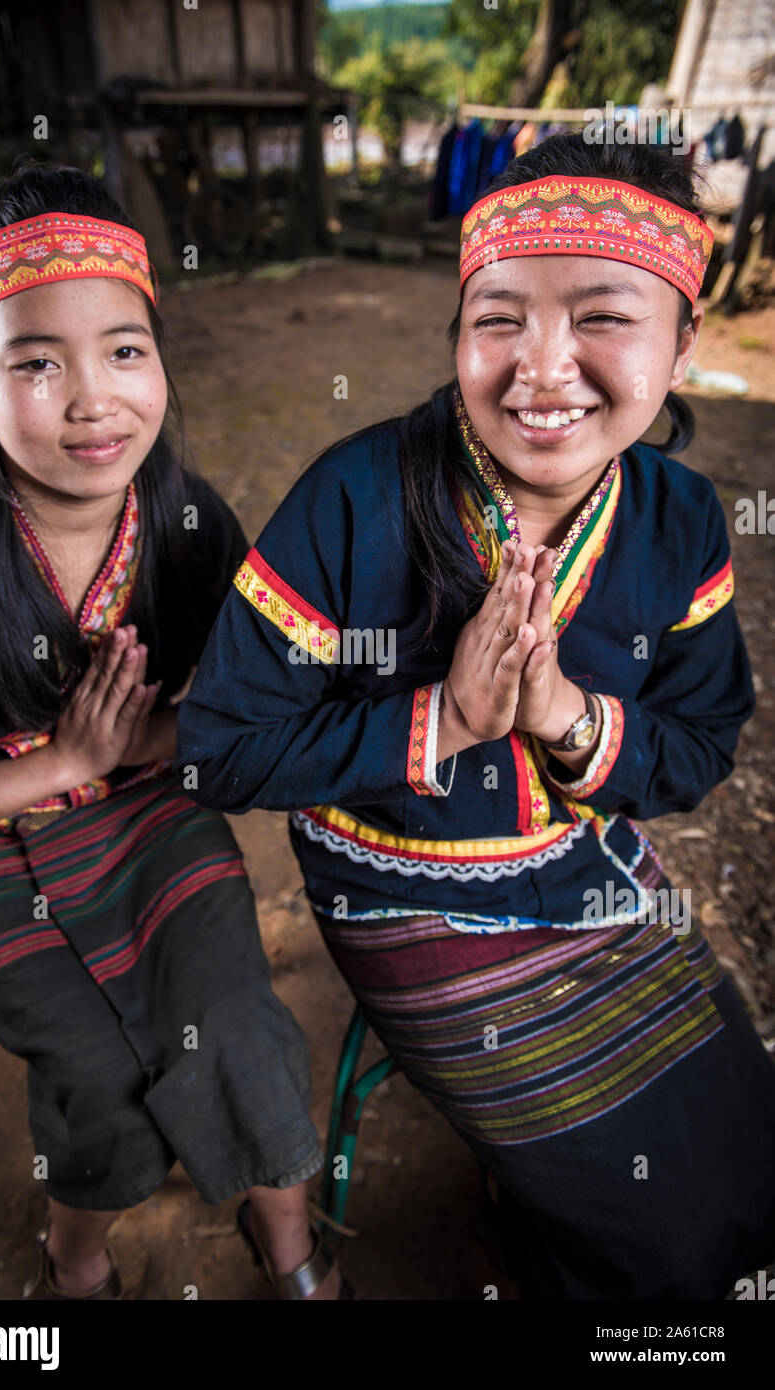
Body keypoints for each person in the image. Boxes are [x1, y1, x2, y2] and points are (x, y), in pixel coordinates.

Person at [176, 134, 775, 1299]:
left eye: (604, 317)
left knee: (747, 1167)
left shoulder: (681, 521)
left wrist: (567, 716)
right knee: (668, 1247)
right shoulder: (353, 499)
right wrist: (441, 722)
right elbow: (217, 751)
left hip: (589, 869)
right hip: (405, 893)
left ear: (685, 343)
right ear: (459, 326)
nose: (542, 367)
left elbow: (699, 748)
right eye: (499, 316)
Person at [0, 160, 346, 1301]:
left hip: (150, 806)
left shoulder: (193, 524)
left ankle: (289, 1236)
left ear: (159, 355)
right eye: (36, 361)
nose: (94, 400)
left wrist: (155, 744)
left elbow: (257, 696)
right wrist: (58, 763)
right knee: (92, 1075)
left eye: (123, 349)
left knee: (237, 1014)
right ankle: (79, 1259)